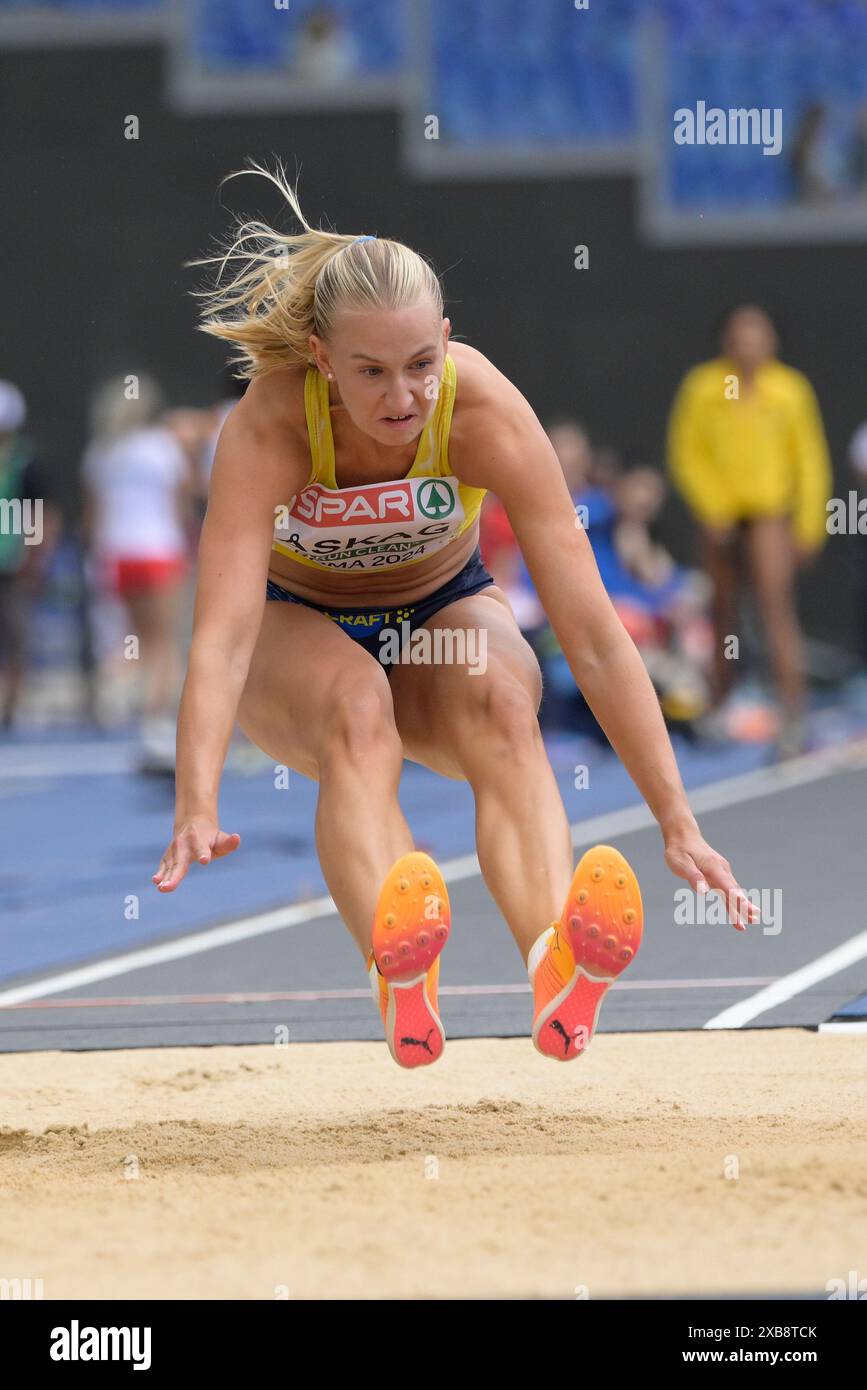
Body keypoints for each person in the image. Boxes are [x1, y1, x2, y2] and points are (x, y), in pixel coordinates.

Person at [153, 159, 758, 1069]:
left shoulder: (481, 411)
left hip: (439, 610)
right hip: (297, 625)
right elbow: (225, 632)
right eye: (371, 372)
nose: (402, 398)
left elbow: (592, 635)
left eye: (420, 365)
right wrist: (196, 797)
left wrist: (676, 817)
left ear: (445, 338)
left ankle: (555, 959)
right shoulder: (272, 424)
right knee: (358, 709)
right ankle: (400, 970)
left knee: (505, 698)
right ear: (321, 359)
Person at [667, 304, 833, 760]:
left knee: (776, 610)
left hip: (769, 514)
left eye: (757, 336)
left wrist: (809, 524)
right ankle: (719, 705)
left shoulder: (789, 390)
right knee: (721, 613)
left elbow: (810, 461)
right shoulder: (704, 387)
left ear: (772, 342)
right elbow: (687, 452)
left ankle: (792, 713)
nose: (748, 345)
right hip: (719, 517)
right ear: (727, 342)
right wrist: (713, 506)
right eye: (740, 336)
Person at [81, 373, 198, 767]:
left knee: (136, 638)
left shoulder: (102, 452)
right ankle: (155, 724)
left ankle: (116, 682)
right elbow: (180, 504)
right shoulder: (162, 446)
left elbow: (93, 516)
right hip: (158, 550)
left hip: (118, 553)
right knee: (163, 642)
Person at [0, 380, 61, 728]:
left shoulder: (25, 461)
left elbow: (42, 513)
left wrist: (35, 557)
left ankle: (10, 707)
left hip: (13, 562)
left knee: (16, 637)